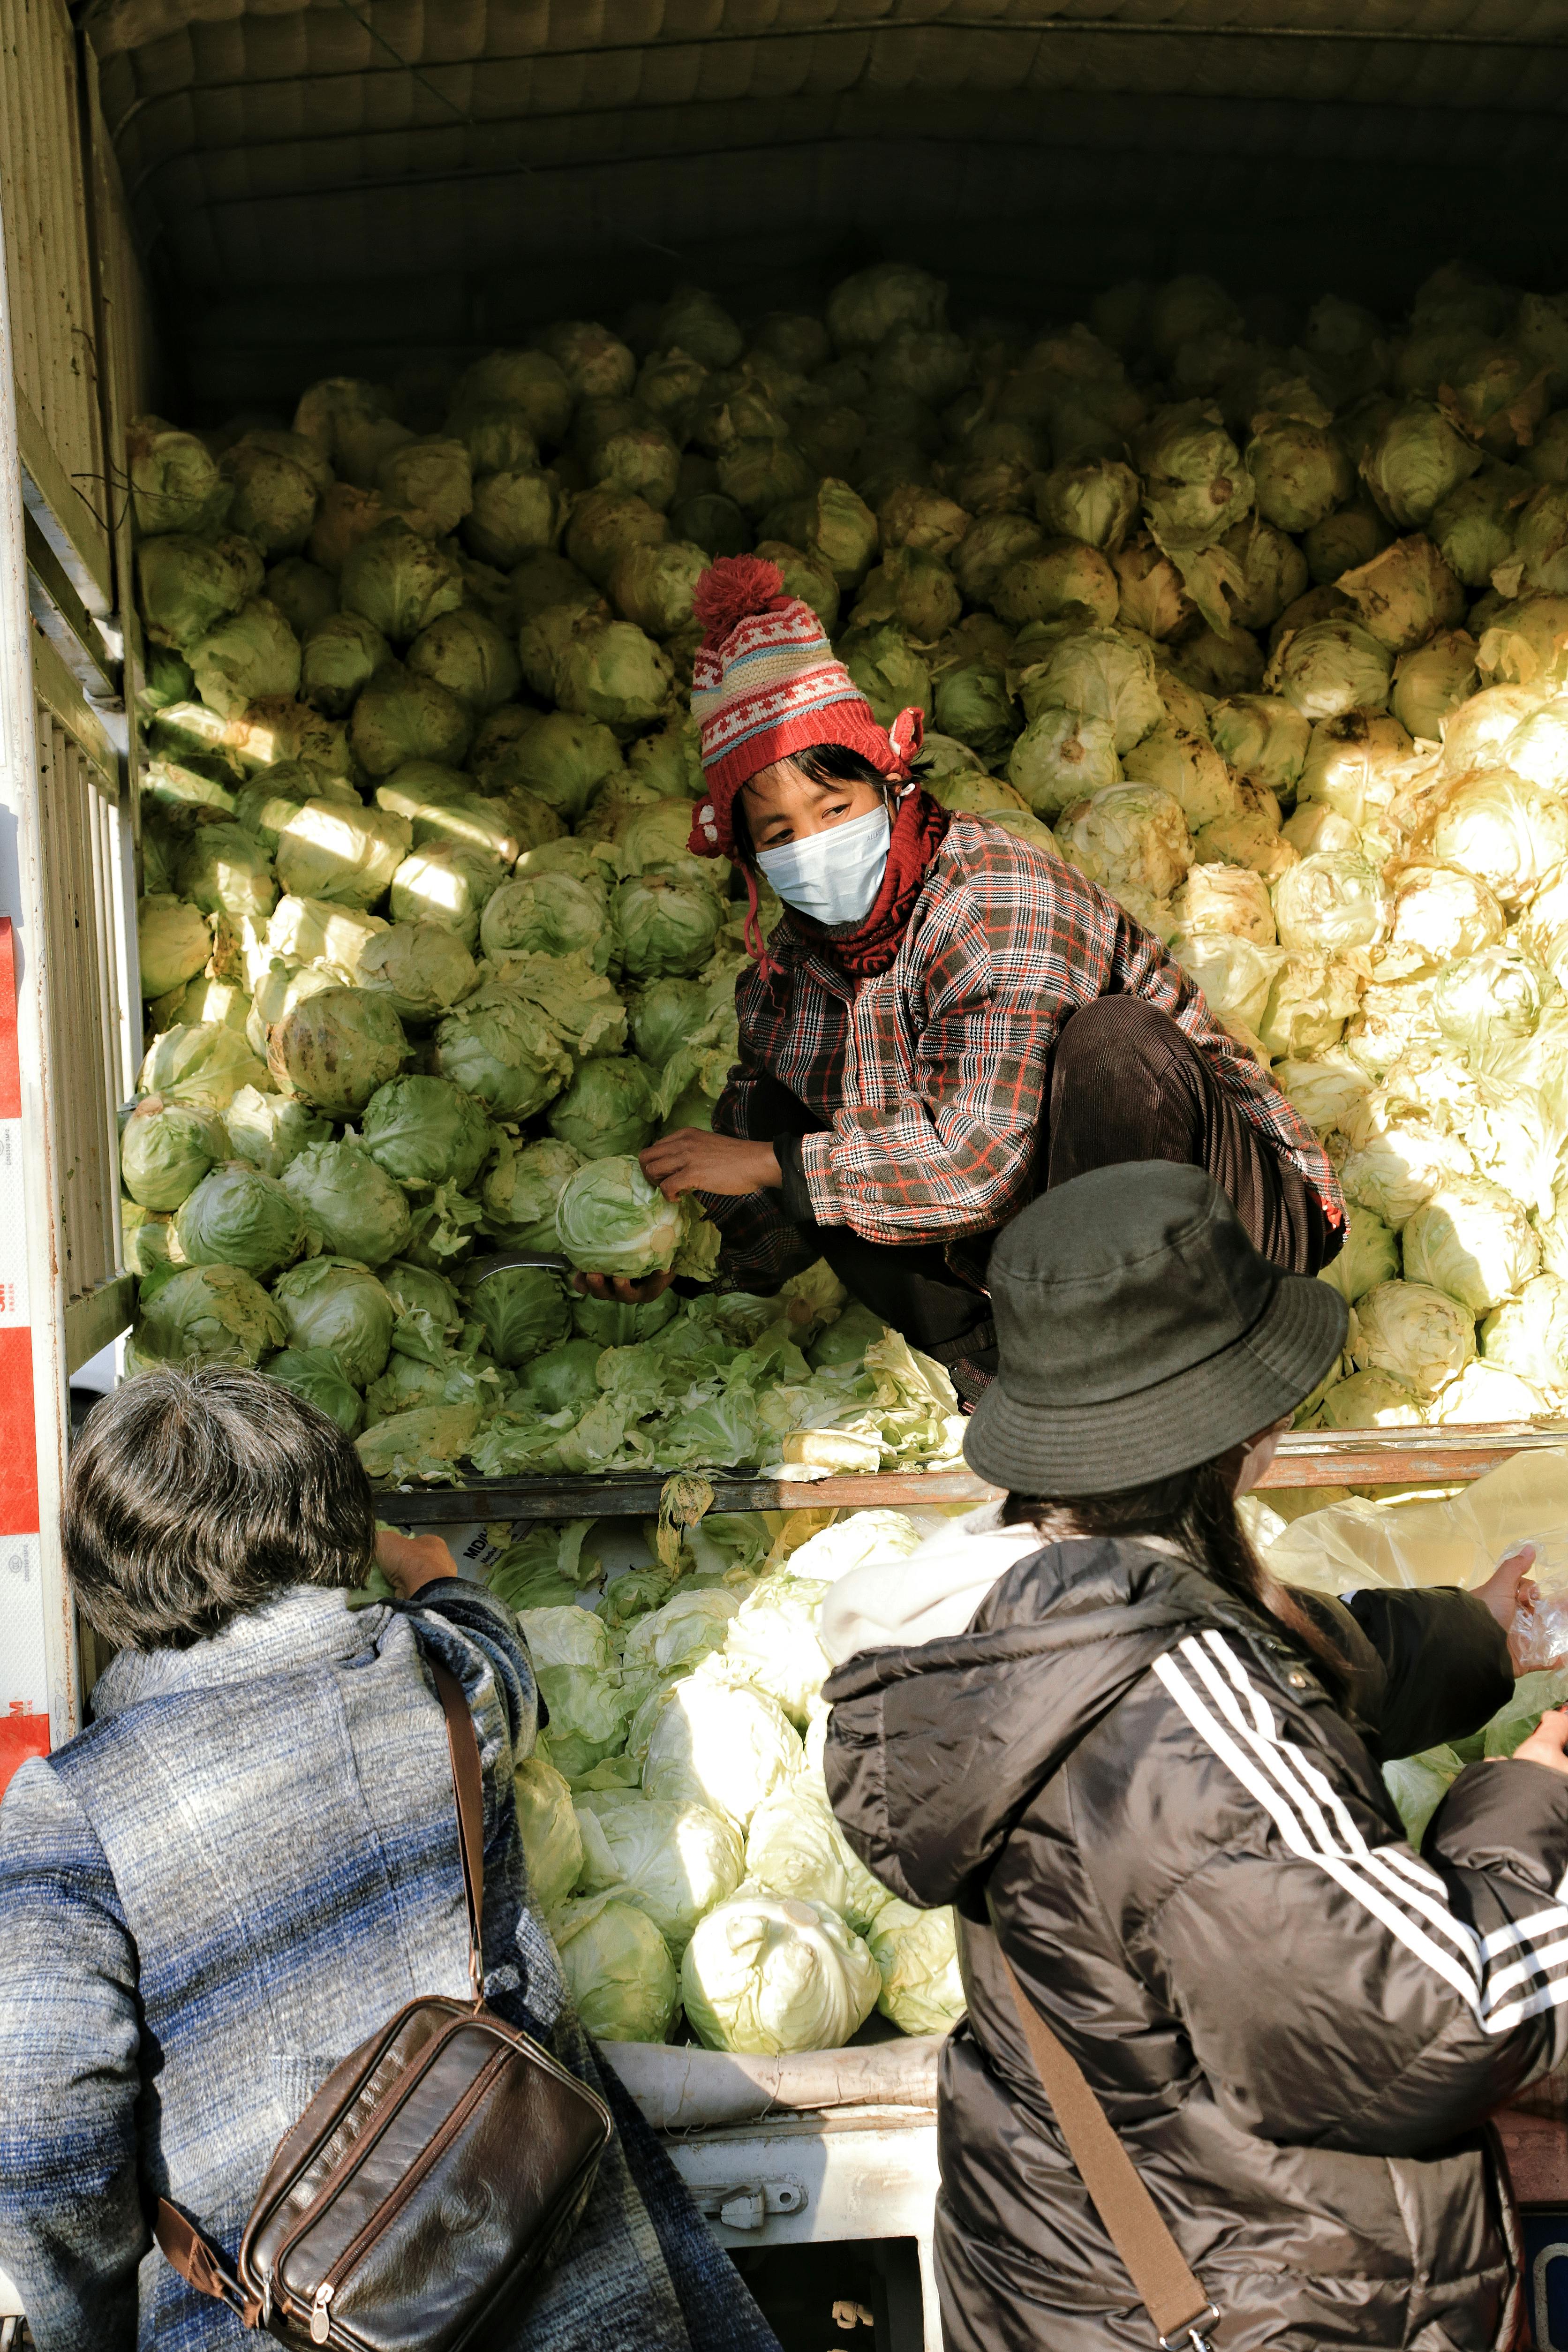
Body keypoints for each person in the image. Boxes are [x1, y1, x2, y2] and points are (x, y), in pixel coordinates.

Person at [818, 1161, 1568, 2352]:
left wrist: (1475, 1633)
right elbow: (1440, 2015)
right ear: (1230, 1430)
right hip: (1248, 2296)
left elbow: (1249, 1679)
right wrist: (1532, 1792)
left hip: (1079, 2270)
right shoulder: (1171, 1699)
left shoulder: (1023, 1614)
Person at [0, 1367, 778, 2352]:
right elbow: (509, 1667)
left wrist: (87, 2333)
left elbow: (44, 2146)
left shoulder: (72, 1807)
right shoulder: (439, 1674)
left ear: (103, 1569)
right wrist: (436, 1577)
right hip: (536, 2248)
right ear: (331, 1524)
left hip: (278, 2316)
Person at [604, 554, 1342, 1398]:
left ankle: (1144, 1377)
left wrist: (782, 1164)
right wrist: (671, 1255)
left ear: (888, 781)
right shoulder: (795, 971)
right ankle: (1011, 1371)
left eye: (833, 809)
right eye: (777, 834)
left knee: (1115, 1046)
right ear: (749, 857)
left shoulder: (994, 895)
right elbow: (765, 1179)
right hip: (1045, 1260)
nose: (810, 843)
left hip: (1229, 1230)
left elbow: (981, 1164)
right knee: (789, 1118)